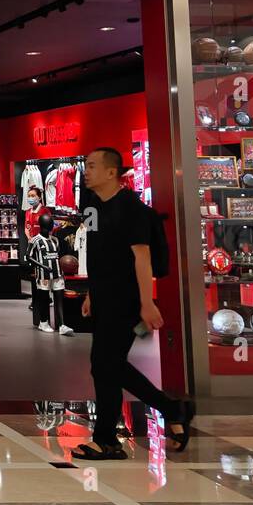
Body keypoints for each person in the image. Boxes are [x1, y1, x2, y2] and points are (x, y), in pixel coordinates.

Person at [73, 147, 193, 459]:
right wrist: (91, 293)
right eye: (86, 165)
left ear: (111, 172)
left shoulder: (132, 209)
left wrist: (146, 303)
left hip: (125, 298)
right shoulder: (92, 206)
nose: (86, 171)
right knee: (107, 366)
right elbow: (96, 255)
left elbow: (142, 258)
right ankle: (171, 410)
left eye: (92, 166)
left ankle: (107, 440)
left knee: (105, 365)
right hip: (103, 297)